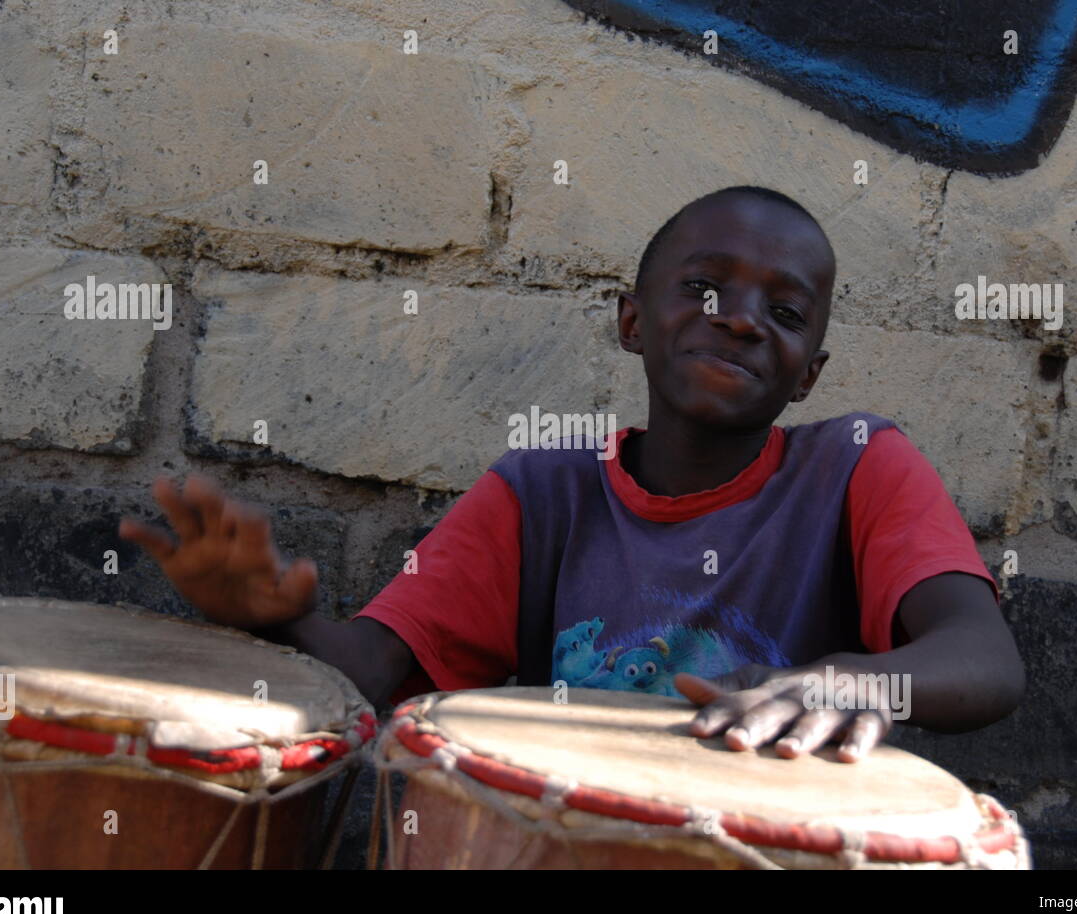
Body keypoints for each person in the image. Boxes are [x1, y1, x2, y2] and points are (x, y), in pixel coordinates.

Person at [120, 185, 1024, 763]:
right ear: (633, 323)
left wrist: (853, 682)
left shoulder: (857, 466)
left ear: (810, 373)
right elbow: (376, 671)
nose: (742, 321)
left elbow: (983, 663)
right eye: (705, 289)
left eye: (784, 311)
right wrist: (279, 621)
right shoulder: (543, 492)